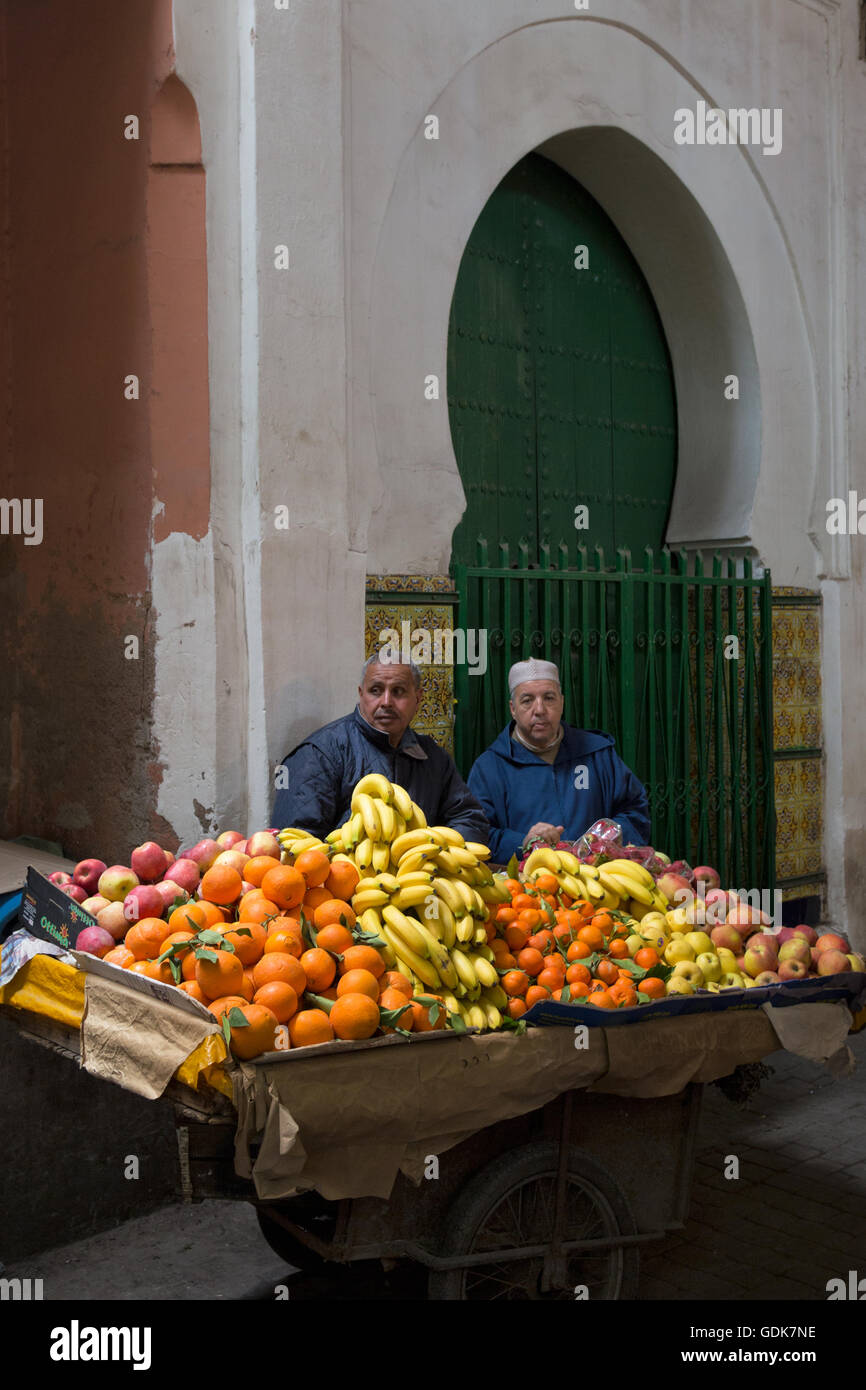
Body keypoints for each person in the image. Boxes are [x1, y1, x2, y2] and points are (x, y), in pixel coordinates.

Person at [271, 657, 489, 842]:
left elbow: (470, 820)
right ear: (361, 694)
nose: (386, 702)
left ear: (418, 698)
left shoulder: (432, 757)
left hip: (420, 883)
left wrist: (429, 851)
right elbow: (295, 841)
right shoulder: (321, 754)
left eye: (399, 691)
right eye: (376, 690)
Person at [467, 658, 650, 864]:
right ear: (513, 709)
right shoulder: (489, 768)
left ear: (561, 702)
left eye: (549, 698)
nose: (539, 709)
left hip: (598, 884)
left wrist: (608, 836)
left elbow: (635, 811)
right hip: (527, 889)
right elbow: (477, 836)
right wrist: (523, 842)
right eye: (527, 700)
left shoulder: (597, 754)